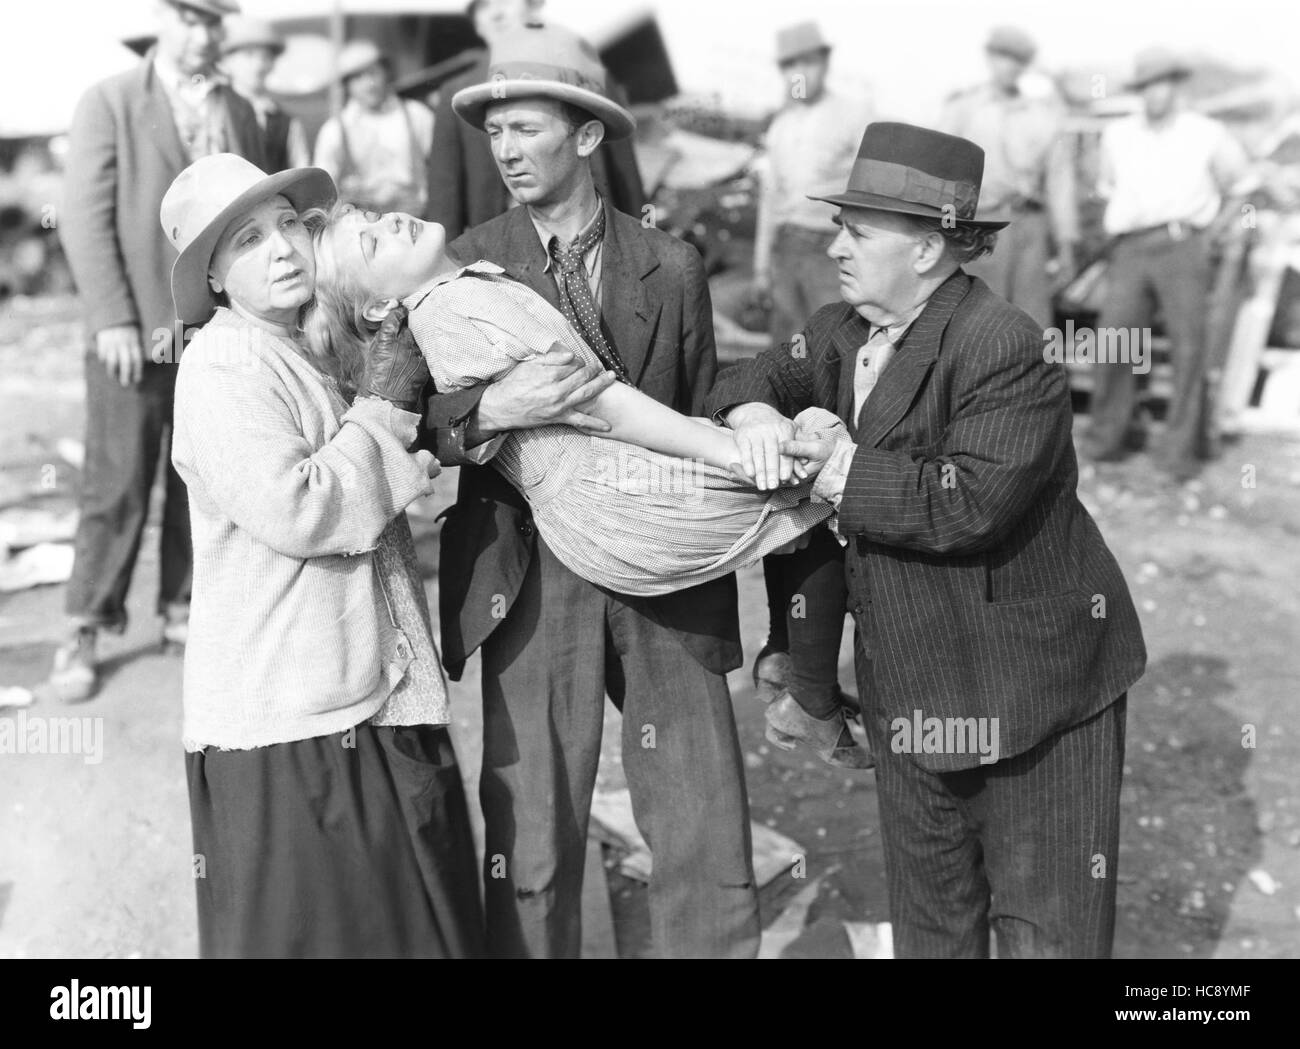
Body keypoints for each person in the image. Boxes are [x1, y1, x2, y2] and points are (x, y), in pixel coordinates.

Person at [708, 122, 1148, 958]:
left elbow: (965, 504)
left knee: (1043, 931)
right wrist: (759, 413)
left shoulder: (1005, 346)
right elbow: (749, 372)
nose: (835, 247)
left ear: (928, 248)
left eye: (857, 232)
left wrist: (837, 467)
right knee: (932, 923)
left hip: (1033, 694)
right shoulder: (843, 327)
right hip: (911, 677)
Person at [421, 24, 760, 958]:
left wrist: (764, 416)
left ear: (586, 137)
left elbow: (695, 409)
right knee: (532, 825)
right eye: (495, 133)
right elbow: (424, 420)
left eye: (527, 128)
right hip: (531, 568)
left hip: (661, 564)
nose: (506, 150)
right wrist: (491, 413)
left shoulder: (673, 264)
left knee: (700, 812)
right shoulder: (459, 261)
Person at [162, 153, 483, 958]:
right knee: (329, 930)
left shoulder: (298, 346)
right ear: (211, 277)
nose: (281, 249)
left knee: (400, 920)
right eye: (246, 240)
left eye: (287, 227)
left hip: (359, 682)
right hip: (293, 708)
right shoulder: (222, 364)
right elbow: (299, 507)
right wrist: (380, 412)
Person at [307, 202, 846, 594]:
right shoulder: (456, 302)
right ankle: (808, 686)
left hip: (599, 508)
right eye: (373, 242)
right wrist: (725, 450)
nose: (391, 222)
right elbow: (601, 403)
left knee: (804, 478)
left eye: (375, 217)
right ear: (379, 308)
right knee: (818, 452)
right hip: (623, 496)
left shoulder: (454, 296)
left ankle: (803, 682)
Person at [51, 0, 265, 702]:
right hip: (133, 330)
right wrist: (111, 317)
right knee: (116, 479)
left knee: (199, 475)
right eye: (193, 18)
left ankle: (182, 607)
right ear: (163, 19)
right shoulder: (109, 101)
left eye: (215, 22)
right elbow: (82, 216)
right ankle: (84, 620)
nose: (206, 34)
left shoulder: (236, 106)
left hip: (214, 326)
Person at [748, 19, 871, 722]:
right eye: (787, 63)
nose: (800, 73)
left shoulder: (850, 114)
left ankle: (844, 452)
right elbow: (770, 199)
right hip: (790, 243)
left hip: (831, 242)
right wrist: (764, 260)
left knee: (838, 358)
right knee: (789, 362)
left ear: (825, 62)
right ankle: (804, 458)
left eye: (808, 61)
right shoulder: (779, 126)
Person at [1083, 48, 1250, 481]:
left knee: (1188, 348)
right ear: (1138, 91)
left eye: (1163, 84)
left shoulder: (1206, 133)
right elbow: (1104, 187)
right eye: (1146, 86)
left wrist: (1210, 237)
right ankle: (1106, 442)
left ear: (1176, 87)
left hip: (1183, 246)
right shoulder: (1118, 134)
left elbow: (1243, 187)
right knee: (1116, 342)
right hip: (1130, 247)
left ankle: (1178, 455)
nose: (1155, 94)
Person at [424, 0, 645, 240]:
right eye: (483, 7)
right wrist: (445, 270)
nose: (497, 14)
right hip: (500, 256)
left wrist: (645, 248)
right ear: (476, 23)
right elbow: (444, 199)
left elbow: (626, 178)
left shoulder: (590, 76)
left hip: (596, 240)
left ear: (533, 9)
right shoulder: (456, 92)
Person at [938, 25, 1078, 327]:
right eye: (1003, 57)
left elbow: (1060, 182)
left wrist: (1066, 244)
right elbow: (944, 174)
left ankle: (1033, 374)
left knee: (1032, 320)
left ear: (1025, 66)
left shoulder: (1043, 115)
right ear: (989, 58)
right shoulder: (964, 109)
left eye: (1018, 60)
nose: (1009, 67)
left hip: (1029, 224)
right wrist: (945, 230)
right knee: (975, 319)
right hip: (980, 224)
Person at [313, 40, 435, 215]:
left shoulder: (417, 115)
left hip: (416, 218)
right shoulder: (335, 130)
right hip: (361, 224)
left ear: (386, 72)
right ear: (347, 85)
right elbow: (320, 191)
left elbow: (442, 171)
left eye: (373, 73)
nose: (369, 84)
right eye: (358, 78)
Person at [220, 17, 312, 171]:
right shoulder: (216, 108)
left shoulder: (286, 122)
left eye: (266, 57)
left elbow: (300, 170)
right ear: (227, 61)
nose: (258, 65)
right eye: (249, 55)